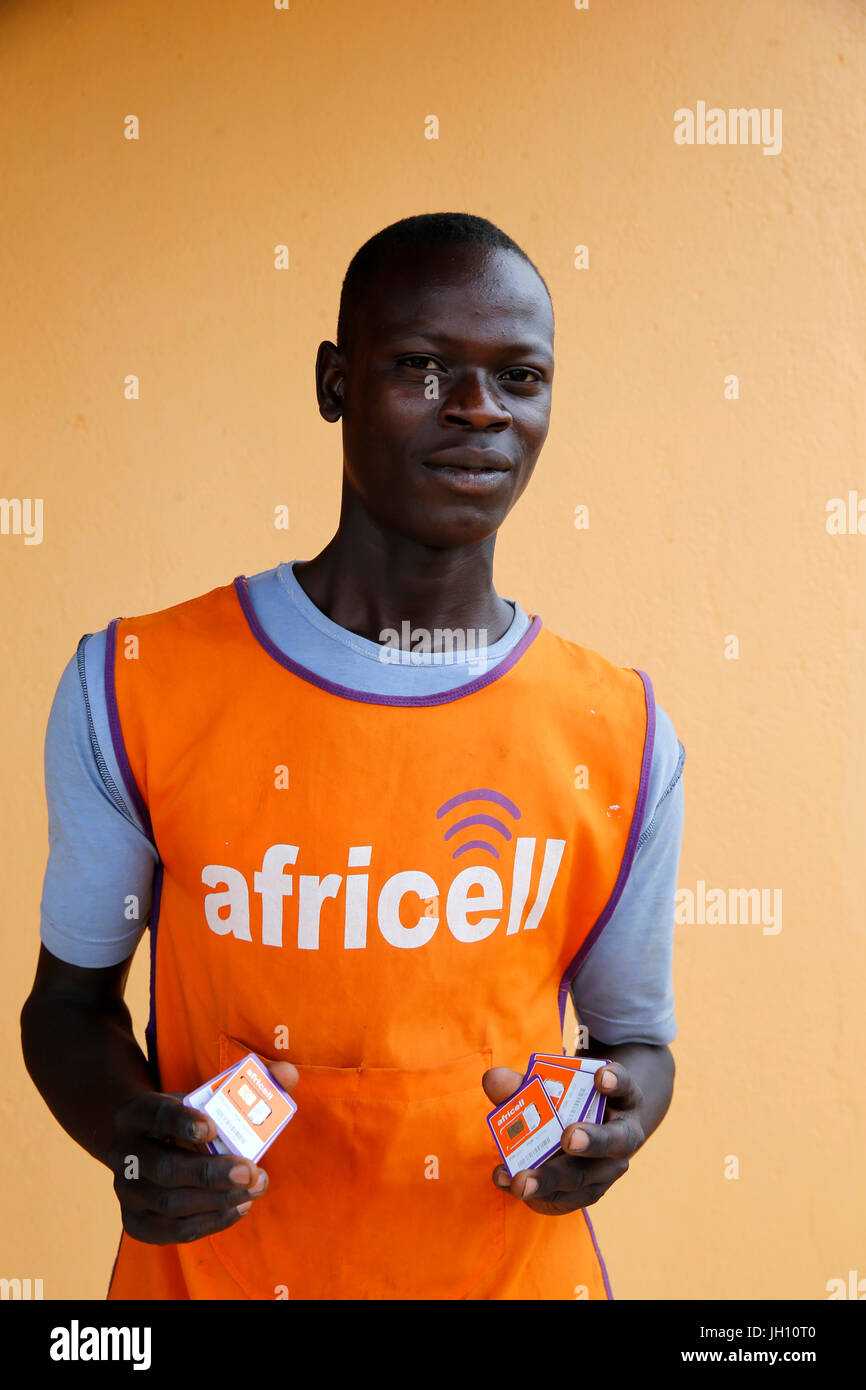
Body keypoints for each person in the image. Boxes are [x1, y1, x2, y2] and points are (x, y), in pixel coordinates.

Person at [22, 211, 685, 1300]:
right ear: (335, 382)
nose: (476, 410)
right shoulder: (133, 684)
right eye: (420, 367)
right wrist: (131, 1141)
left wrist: (611, 1130)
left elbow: (636, 1047)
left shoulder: (619, 728)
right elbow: (66, 1007)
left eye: (518, 376)